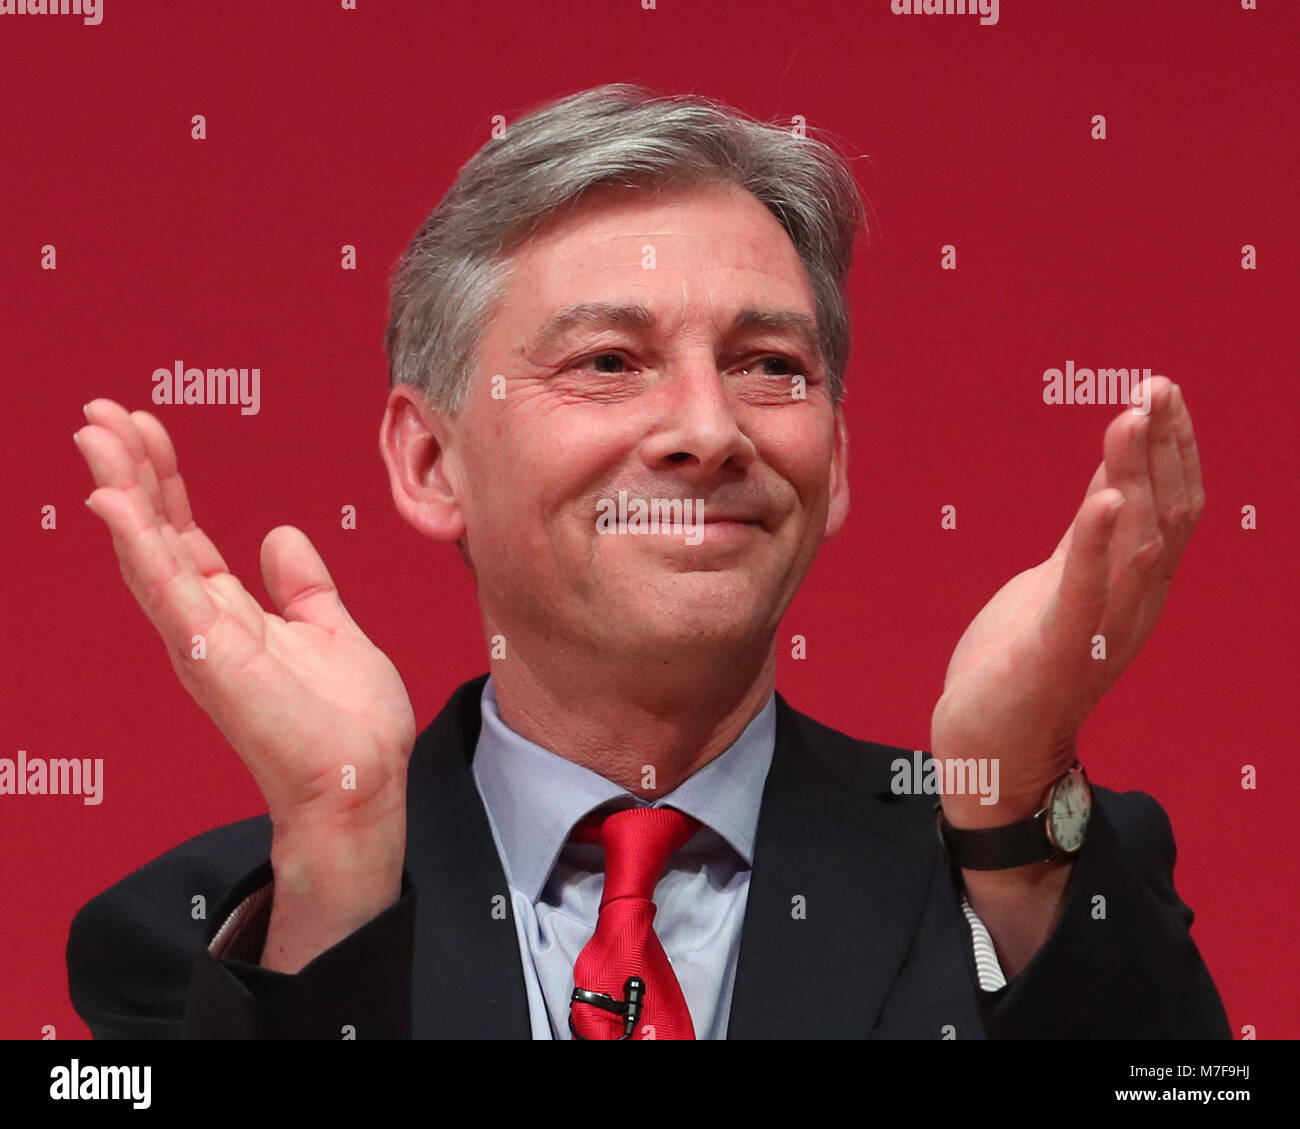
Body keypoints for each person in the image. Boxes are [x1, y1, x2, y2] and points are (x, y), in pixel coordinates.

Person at [67, 83, 1228, 1039]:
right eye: (612, 361)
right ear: (430, 461)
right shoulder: (210, 929)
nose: (710, 430)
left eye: (771, 364)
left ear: (834, 460)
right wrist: (335, 854)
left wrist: (1014, 813)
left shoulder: (1020, 861)